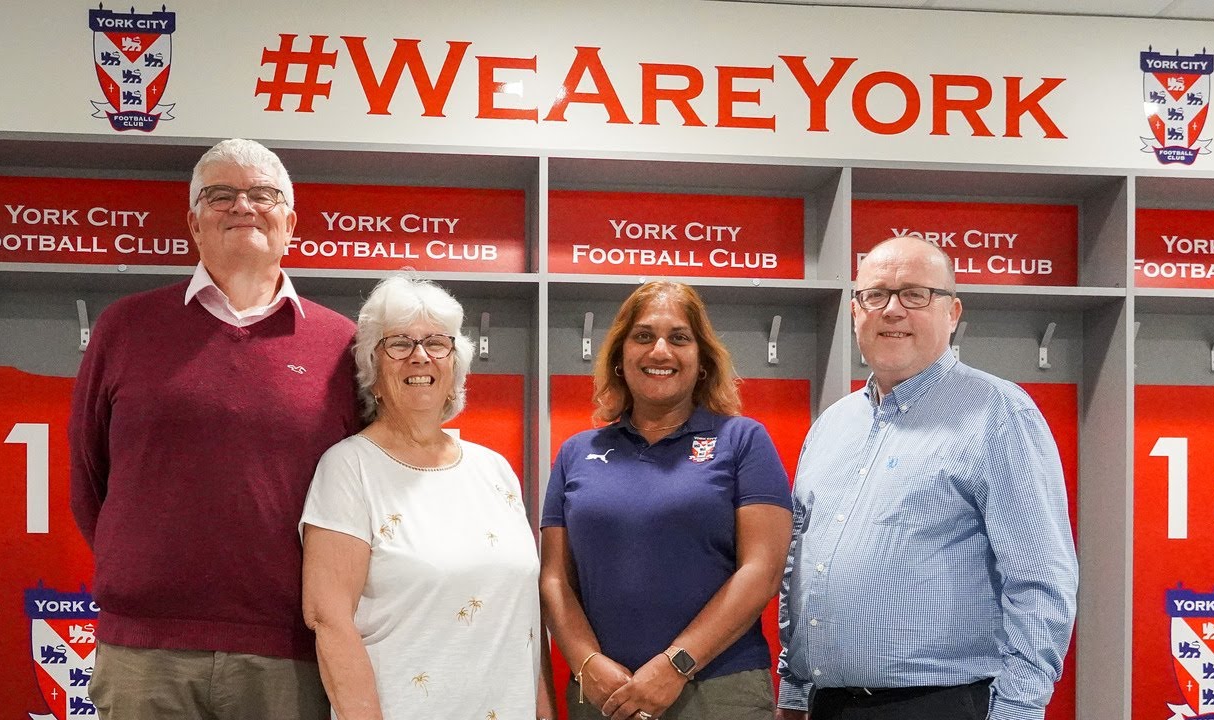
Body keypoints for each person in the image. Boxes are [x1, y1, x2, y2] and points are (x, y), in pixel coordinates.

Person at [69, 138, 361, 719]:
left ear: (290, 223)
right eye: (220, 195)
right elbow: (88, 477)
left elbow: (362, 495)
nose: (242, 207)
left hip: (289, 649)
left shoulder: (342, 345)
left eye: (262, 194)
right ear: (194, 224)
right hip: (144, 649)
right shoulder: (124, 328)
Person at [776, 236, 1078, 720]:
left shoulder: (998, 413)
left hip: (941, 704)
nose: (892, 310)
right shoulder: (831, 425)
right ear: (856, 311)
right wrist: (793, 690)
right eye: (875, 295)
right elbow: (801, 567)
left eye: (915, 294)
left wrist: (1018, 710)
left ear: (952, 312)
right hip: (828, 705)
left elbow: (1040, 579)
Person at [299, 275, 553, 720]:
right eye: (399, 343)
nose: (420, 355)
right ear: (372, 371)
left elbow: (527, 622)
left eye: (437, 343)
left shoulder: (493, 470)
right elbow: (329, 620)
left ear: (455, 366)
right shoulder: (348, 468)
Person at [541, 280, 793, 720]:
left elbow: (763, 571)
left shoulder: (742, 440)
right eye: (643, 336)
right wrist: (588, 666)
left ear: (702, 361)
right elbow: (556, 581)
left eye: (679, 337)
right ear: (620, 358)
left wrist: (676, 663)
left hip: (718, 690)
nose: (660, 351)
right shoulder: (574, 453)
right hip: (603, 695)